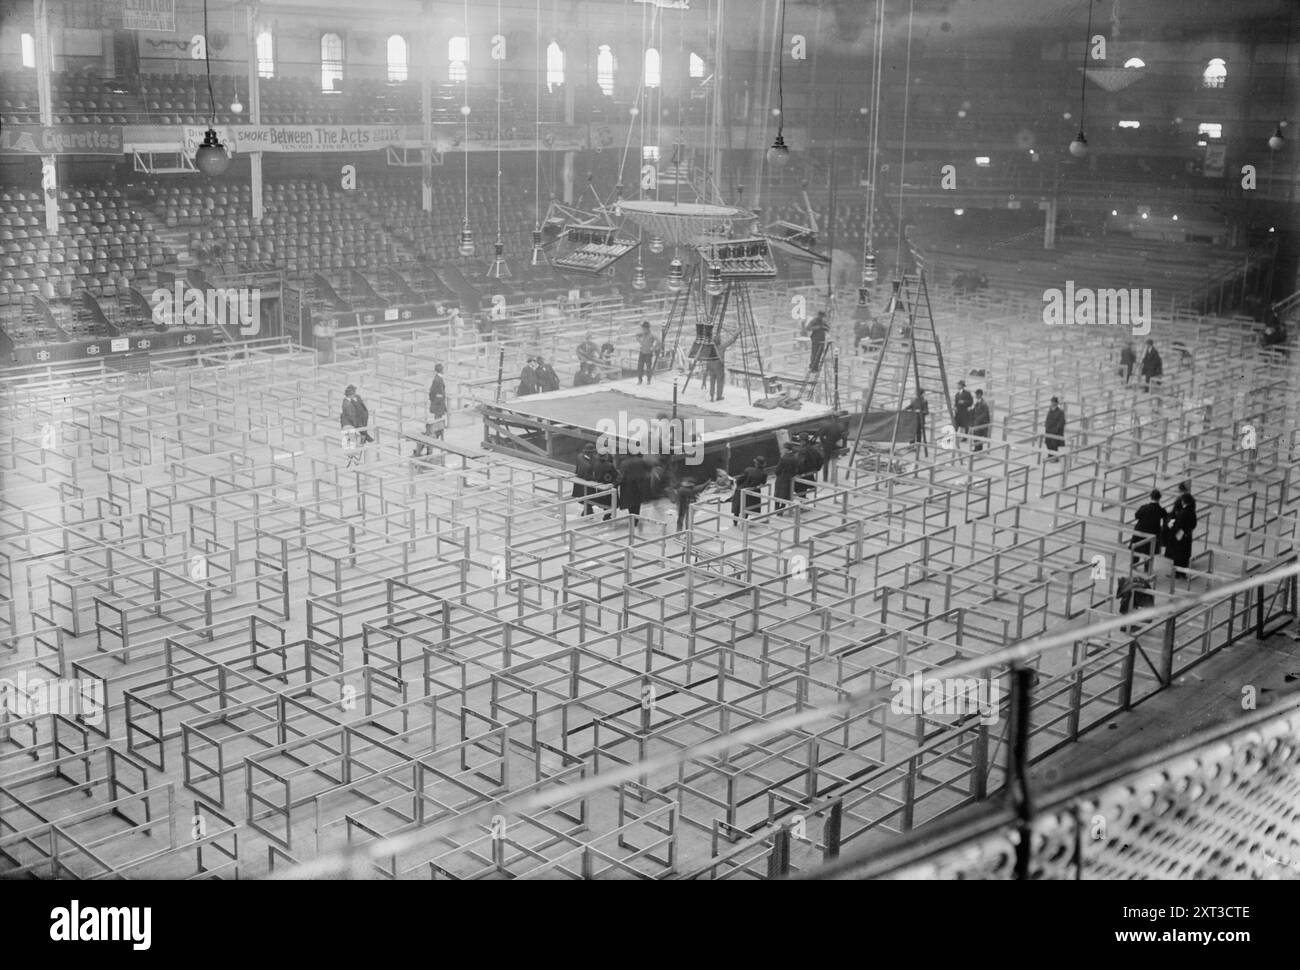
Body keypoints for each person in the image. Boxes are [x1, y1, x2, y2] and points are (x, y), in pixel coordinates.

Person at [1164, 481, 1198, 579]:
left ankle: (1176, 573)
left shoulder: (1183, 512)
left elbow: (1178, 524)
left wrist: (1171, 525)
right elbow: (1194, 523)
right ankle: (1182, 573)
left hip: (1180, 535)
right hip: (1187, 535)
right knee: (1184, 555)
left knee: (1177, 555)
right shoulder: (1191, 510)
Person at [412, 363, 447, 457]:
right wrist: (437, 400)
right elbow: (433, 392)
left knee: (438, 420)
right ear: (441, 370)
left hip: (438, 402)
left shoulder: (438, 378)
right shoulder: (437, 379)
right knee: (437, 420)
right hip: (438, 403)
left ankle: (434, 434)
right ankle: (434, 435)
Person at [1130, 489, 1167, 572]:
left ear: (1150, 497)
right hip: (1152, 532)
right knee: (1149, 551)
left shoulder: (1144, 507)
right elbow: (1166, 519)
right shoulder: (1161, 510)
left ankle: (1134, 564)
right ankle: (1147, 568)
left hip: (1140, 531)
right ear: (1159, 498)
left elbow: (1137, 515)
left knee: (1137, 548)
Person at [340, 384, 372, 467]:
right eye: (353, 393)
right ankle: (353, 458)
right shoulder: (347, 404)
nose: (354, 394)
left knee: (357, 440)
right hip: (350, 425)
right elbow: (351, 416)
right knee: (355, 441)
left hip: (356, 423)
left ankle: (354, 458)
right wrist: (357, 425)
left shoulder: (354, 399)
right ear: (350, 394)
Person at [617, 452, 652, 528]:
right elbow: (648, 470)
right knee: (637, 503)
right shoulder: (641, 461)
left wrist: (615, 484)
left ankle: (632, 520)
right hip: (639, 486)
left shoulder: (624, 463)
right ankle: (636, 520)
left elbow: (622, 476)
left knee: (630, 504)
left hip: (628, 487)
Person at [706, 325, 740, 402]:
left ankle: (711, 396)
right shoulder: (722, 346)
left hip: (710, 365)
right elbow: (731, 340)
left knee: (712, 381)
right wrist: (737, 332)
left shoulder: (710, 346)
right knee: (720, 381)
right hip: (718, 366)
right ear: (719, 341)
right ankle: (719, 396)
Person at [730, 455, 768, 524]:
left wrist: (738, 485)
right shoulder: (764, 474)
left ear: (756, 463)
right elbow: (763, 482)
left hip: (742, 490)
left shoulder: (749, 470)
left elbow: (740, 480)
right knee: (748, 506)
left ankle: (735, 520)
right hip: (753, 493)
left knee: (738, 506)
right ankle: (744, 521)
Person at [588, 449, 619, 521]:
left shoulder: (595, 464)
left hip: (599, 487)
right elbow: (616, 475)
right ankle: (607, 515)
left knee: (603, 501)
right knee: (610, 502)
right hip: (608, 487)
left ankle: (606, 515)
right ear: (606, 456)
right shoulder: (609, 465)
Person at [773, 440, 801, 513]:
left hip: (781, 478)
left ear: (786, 449)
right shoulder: (794, 458)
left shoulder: (783, 458)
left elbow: (777, 470)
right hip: (789, 479)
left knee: (778, 494)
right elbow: (796, 470)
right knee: (786, 495)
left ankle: (777, 510)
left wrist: (777, 473)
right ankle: (782, 508)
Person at [816, 415, 845, 481]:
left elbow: (821, 436)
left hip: (827, 446)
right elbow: (843, 436)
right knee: (834, 462)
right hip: (836, 447)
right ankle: (833, 479)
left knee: (826, 462)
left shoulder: (827, 426)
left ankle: (825, 479)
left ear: (832, 418)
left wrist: (824, 442)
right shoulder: (840, 426)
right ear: (838, 419)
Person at [572, 443, 595, 515]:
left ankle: (588, 512)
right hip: (586, 483)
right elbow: (588, 477)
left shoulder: (579, 456)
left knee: (585, 498)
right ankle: (587, 512)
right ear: (590, 453)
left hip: (579, 481)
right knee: (588, 497)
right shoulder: (588, 465)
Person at [1043, 396, 1065, 461]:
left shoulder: (1060, 412)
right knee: (1048, 443)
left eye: (1053, 402)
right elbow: (1048, 419)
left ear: (1056, 403)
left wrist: (1056, 429)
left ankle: (1055, 458)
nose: (1052, 403)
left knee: (1054, 444)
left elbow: (1061, 422)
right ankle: (1050, 456)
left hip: (1055, 431)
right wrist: (1046, 425)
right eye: (1051, 402)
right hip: (1048, 430)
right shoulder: (1050, 410)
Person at [952, 380, 973, 448]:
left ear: (962, 386)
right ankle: (954, 436)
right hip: (958, 412)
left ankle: (965, 437)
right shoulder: (957, 394)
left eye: (959, 385)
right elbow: (955, 403)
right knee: (956, 424)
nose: (958, 386)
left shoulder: (967, 393)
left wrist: (963, 402)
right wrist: (955, 407)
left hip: (964, 412)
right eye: (958, 385)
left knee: (965, 425)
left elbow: (971, 402)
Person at [908, 389, 929, 455]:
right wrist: (904, 409)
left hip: (920, 420)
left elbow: (926, 411)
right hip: (913, 419)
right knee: (911, 432)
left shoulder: (924, 401)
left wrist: (919, 411)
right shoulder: (914, 400)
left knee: (918, 433)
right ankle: (911, 445)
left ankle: (918, 446)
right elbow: (911, 406)